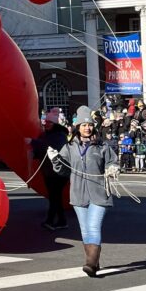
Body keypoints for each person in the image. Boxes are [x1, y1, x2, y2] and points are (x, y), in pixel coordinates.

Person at [49, 105, 118, 277]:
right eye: (83, 125)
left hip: (99, 193)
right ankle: (94, 261)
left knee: (93, 227)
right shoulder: (70, 147)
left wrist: (112, 169)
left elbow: (112, 161)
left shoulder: (102, 145)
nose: (87, 128)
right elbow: (63, 170)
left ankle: (90, 264)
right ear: (78, 127)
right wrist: (55, 159)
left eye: (89, 125)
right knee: (85, 230)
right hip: (78, 194)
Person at [30, 107, 69, 231]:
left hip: (57, 173)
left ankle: (56, 220)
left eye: (49, 122)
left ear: (55, 124)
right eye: (45, 122)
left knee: (55, 197)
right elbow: (42, 149)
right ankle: (55, 220)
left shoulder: (60, 135)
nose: (45, 124)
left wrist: (32, 142)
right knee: (54, 197)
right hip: (49, 171)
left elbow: (50, 147)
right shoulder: (47, 134)